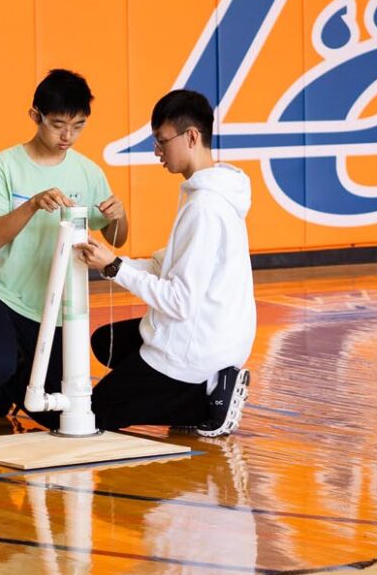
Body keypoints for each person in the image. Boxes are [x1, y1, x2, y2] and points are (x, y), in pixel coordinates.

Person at [0, 69, 129, 431]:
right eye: (58, 125)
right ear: (36, 116)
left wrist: (119, 216)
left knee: (53, 414)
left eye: (78, 126)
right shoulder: (2, 167)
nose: (67, 136)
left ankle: (7, 388)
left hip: (54, 306)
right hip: (2, 292)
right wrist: (31, 204)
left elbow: (118, 237)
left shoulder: (89, 172)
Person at [73, 89, 255, 436]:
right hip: (221, 334)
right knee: (105, 343)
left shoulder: (204, 207)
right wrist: (110, 262)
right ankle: (197, 385)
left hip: (199, 347)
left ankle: (204, 400)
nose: (157, 151)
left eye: (162, 141)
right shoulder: (210, 193)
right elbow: (165, 269)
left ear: (191, 137)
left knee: (91, 416)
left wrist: (116, 268)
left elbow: (179, 301)